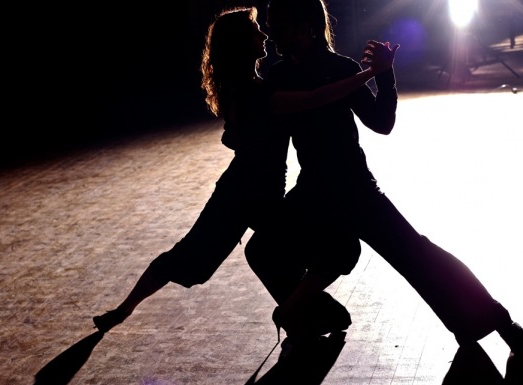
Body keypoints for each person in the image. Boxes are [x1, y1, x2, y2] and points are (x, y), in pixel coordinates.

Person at [246, 0, 523, 358]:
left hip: (355, 190)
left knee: (420, 256)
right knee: (263, 249)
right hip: (314, 192)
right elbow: (279, 132)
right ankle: (318, 316)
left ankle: (499, 321)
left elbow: (381, 123)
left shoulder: (339, 68)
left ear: (305, 28)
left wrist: (385, 75)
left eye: (278, 25)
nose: (271, 32)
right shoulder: (279, 77)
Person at [92, 6, 396, 334]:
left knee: (200, 255)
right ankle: (297, 312)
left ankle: (124, 310)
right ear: (241, 44)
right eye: (255, 31)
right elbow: (316, 97)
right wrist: (371, 73)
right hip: (255, 195)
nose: (264, 34)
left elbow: (236, 134)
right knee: (336, 249)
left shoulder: (252, 87)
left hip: (245, 190)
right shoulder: (259, 93)